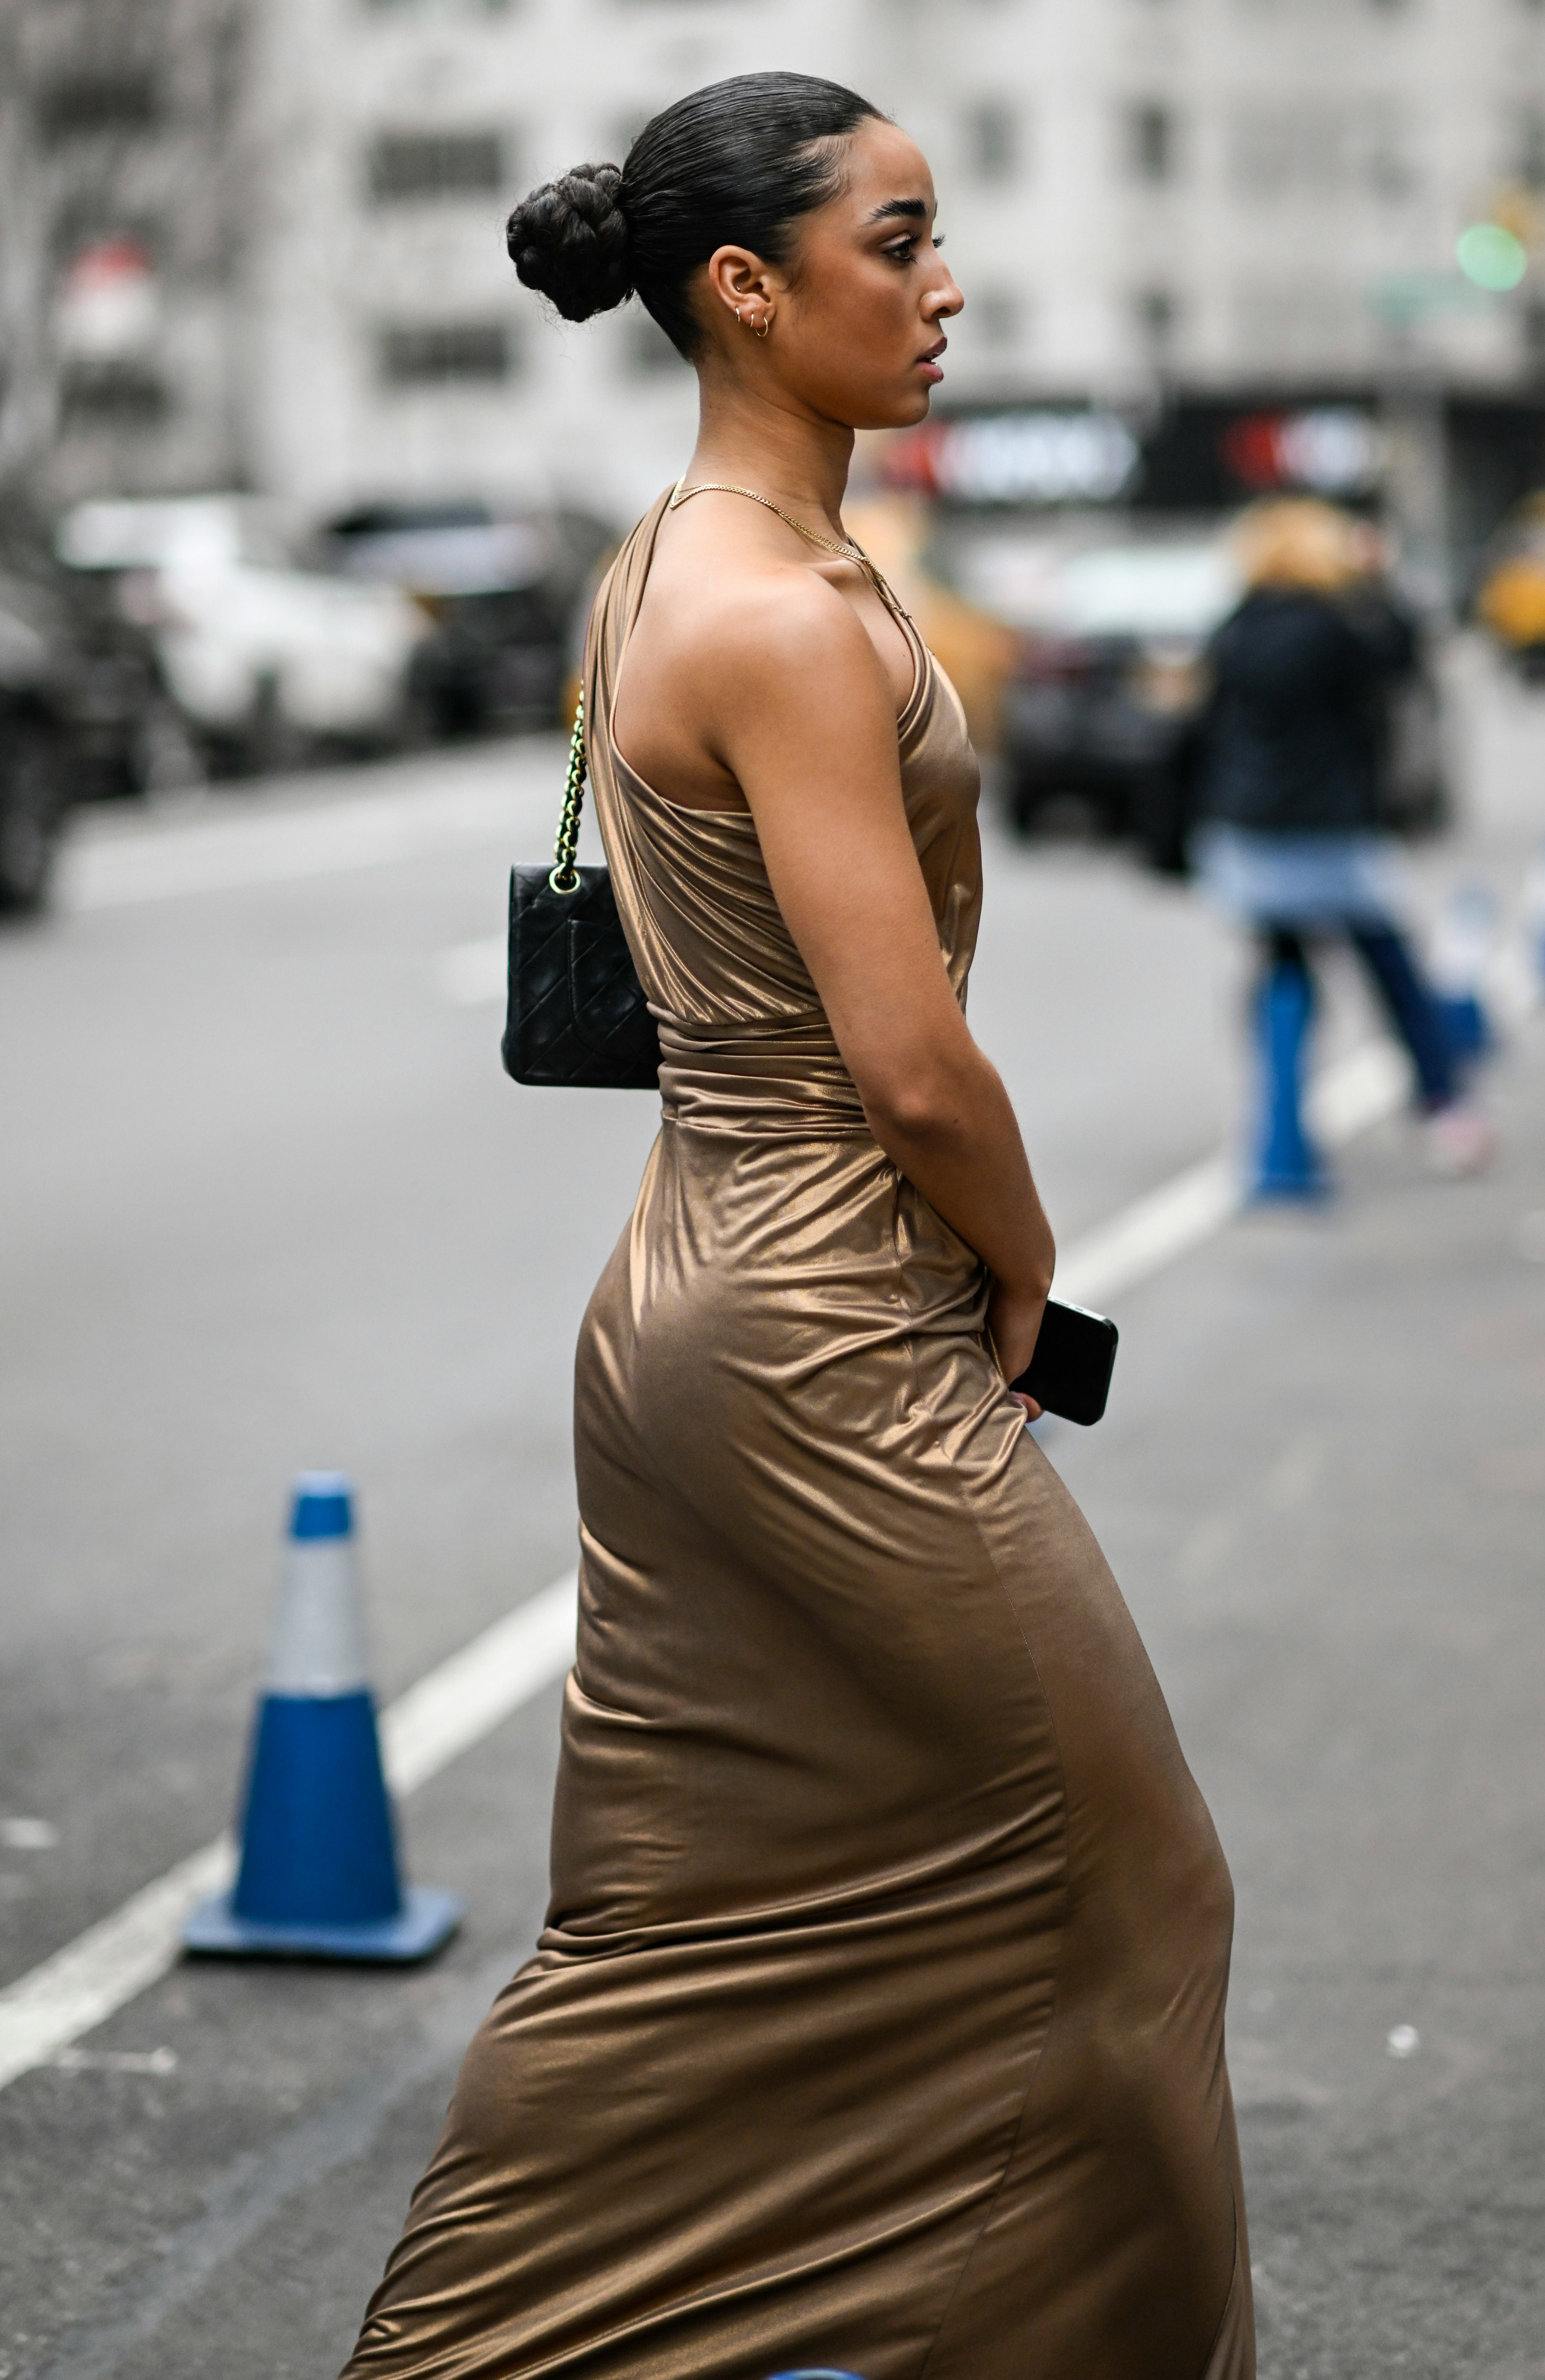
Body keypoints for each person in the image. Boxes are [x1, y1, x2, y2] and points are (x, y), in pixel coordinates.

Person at [341, 74, 1253, 2380]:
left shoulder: (677, 553)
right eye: (897, 241)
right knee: (1134, 1885)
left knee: (687, 1913)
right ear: (741, 289)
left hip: (697, 1295)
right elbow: (910, 1062)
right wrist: (1028, 1273)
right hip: (822, 1323)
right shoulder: (771, 610)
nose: (944, 289)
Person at [1194, 498, 1493, 1194]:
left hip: (1249, 835)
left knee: (1283, 973)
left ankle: (1276, 1131)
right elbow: (1404, 661)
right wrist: (1378, 583)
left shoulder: (1235, 632)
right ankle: (1445, 1107)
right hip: (1331, 832)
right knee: (1393, 973)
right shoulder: (1335, 630)